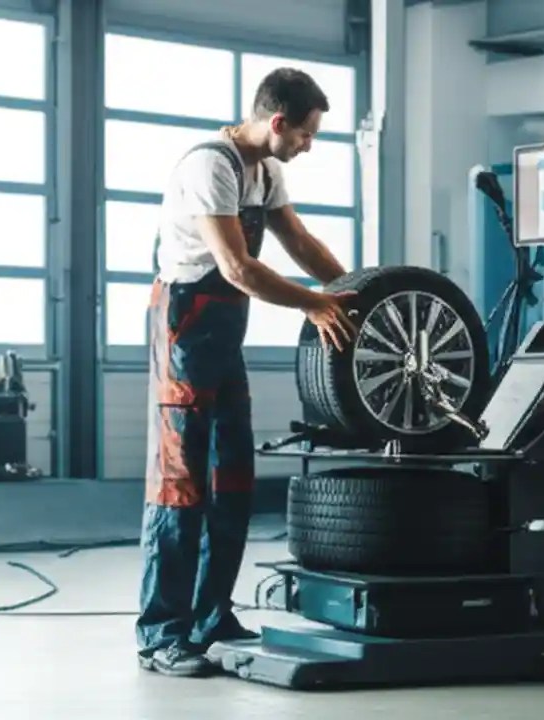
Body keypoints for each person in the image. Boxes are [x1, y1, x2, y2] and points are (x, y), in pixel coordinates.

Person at [136, 67, 358, 677]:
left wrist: (357, 291)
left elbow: (300, 241)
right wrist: (315, 304)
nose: (309, 146)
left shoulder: (267, 169)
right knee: (181, 485)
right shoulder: (211, 165)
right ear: (278, 122)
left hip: (225, 333)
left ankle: (210, 617)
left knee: (232, 477)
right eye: (308, 135)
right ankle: (160, 634)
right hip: (184, 326)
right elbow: (237, 268)